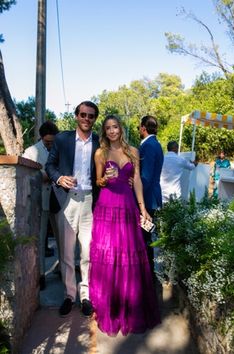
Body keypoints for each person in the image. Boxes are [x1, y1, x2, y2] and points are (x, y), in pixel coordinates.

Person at [89, 115, 161, 336]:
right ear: (104, 131)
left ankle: (129, 307)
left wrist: (143, 208)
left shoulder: (133, 151)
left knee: (128, 254)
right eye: (108, 128)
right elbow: (98, 181)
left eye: (115, 127)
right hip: (107, 207)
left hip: (128, 206)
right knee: (109, 255)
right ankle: (110, 307)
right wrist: (105, 180)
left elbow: (137, 179)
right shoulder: (100, 153)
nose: (112, 131)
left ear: (121, 128)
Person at [45, 101, 100, 317]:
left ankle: (85, 296)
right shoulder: (62, 138)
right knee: (67, 252)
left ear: (95, 119)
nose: (87, 119)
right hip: (66, 200)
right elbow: (49, 166)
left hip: (89, 201)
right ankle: (69, 295)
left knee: (87, 251)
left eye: (91, 116)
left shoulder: (99, 142)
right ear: (76, 116)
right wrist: (59, 178)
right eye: (83, 115)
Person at [22, 120, 60, 290]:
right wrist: (46, 175)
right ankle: (41, 274)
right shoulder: (30, 152)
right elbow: (27, 175)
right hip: (42, 201)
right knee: (40, 239)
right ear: (41, 138)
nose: (51, 145)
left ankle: (62, 268)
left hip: (60, 200)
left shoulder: (60, 148)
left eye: (53, 141)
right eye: (47, 142)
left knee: (62, 238)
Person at [138, 115, 164, 276]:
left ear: (143, 128)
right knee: (147, 235)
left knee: (143, 236)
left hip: (147, 197)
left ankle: (146, 273)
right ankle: (148, 271)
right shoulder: (156, 144)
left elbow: (145, 177)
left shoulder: (148, 146)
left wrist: (137, 199)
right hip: (152, 196)